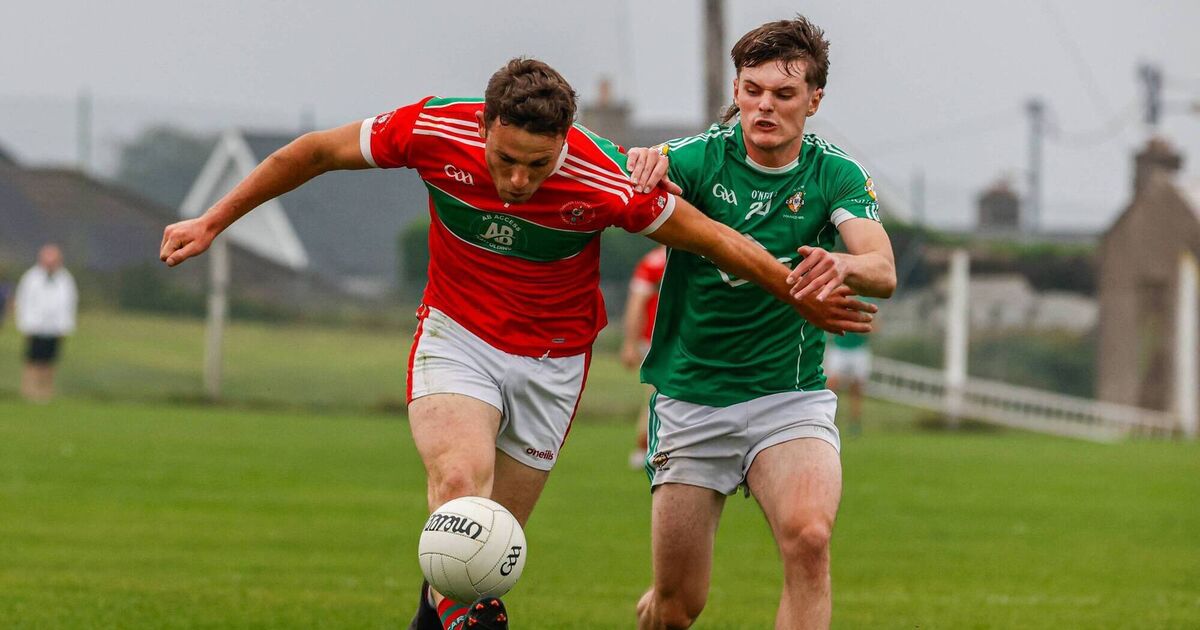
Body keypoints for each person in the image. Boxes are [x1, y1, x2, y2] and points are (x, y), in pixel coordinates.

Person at [159, 58, 877, 630]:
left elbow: (714, 237)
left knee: (480, 555)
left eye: (539, 165)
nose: (518, 181)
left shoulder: (603, 180)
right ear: (485, 126)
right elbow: (314, 152)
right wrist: (213, 219)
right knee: (459, 492)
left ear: (565, 143)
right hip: (457, 334)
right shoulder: (432, 130)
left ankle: (441, 613)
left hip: (552, 361)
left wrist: (794, 288)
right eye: (505, 159)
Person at [625, 17, 896, 629]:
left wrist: (845, 262)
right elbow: (633, 174)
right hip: (693, 399)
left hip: (787, 397)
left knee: (809, 540)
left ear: (814, 99)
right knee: (676, 607)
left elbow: (882, 270)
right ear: (738, 89)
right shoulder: (700, 158)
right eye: (751, 90)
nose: (763, 106)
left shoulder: (835, 174)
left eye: (783, 93)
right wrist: (642, 162)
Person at [621, 245, 666, 469]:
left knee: (658, 395)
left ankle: (647, 448)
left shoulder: (653, 260)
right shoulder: (656, 263)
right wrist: (630, 343)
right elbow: (637, 302)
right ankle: (646, 448)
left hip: (667, 340)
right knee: (659, 395)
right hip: (659, 341)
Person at [15, 244, 78, 403]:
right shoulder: (31, 278)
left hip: (55, 327)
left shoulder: (65, 280)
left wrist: (65, 326)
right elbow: (24, 301)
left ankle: (46, 393)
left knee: (49, 361)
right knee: (33, 360)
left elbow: (69, 304)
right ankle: (29, 392)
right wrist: (25, 324)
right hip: (35, 326)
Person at [824, 320, 873, 435]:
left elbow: (874, 327)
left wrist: (862, 329)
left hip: (859, 350)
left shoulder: (865, 302)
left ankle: (854, 424)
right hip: (839, 348)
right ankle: (828, 421)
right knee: (831, 386)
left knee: (856, 389)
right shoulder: (839, 301)